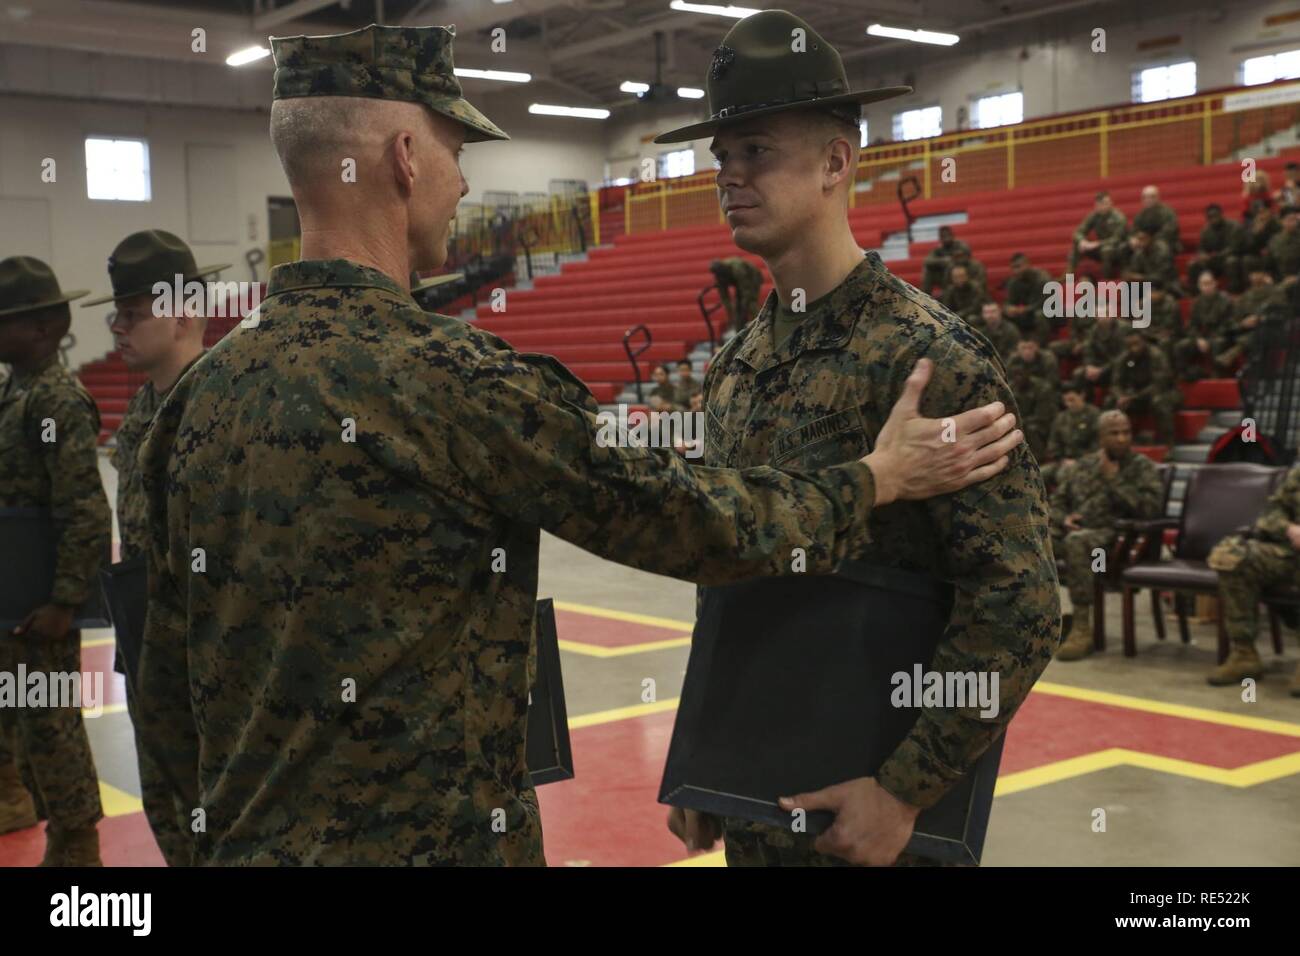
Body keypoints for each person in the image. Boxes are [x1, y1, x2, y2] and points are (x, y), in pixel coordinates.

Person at [135, 22, 1021, 868]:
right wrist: (874, 480)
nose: (465, 184)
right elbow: (688, 522)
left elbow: (160, 700)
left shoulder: (187, 409)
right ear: (407, 158)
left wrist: (886, 786)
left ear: (838, 161)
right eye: (457, 151)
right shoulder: (460, 382)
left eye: (757, 151)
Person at [652, 8, 1058, 868]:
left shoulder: (926, 361)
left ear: (838, 160)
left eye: (755, 150)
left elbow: (1019, 603)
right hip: (756, 805)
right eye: (721, 157)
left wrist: (909, 787)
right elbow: (727, 584)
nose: (728, 176)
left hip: (876, 831)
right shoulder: (735, 366)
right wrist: (706, 763)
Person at [83, 229, 226, 866]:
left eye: (133, 314)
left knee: (222, 818)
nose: (117, 326)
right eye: (118, 312)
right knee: (167, 811)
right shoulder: (142, 411)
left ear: (184, 310)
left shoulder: (230, 403)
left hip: (212, 663)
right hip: (148, 651)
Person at [0, 256, 109, 865]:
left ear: (43, 327)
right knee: (20, 726)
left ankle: (77, 847)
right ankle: (43, 823)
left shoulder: (55, 401)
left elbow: (83, 509)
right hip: (12, 600)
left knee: (52, 728)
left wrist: (66, 600)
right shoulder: (13, 391)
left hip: (42, 603)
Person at [1051, 410, 1163, 659]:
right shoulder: (1084, 465)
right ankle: (1044, 620)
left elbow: (1150, 510)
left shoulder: (1141, 467)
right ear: (1101, 437)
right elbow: (1057, 502)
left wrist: (1115, 482)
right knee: (1036, 538)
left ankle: (1081, 627)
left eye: (1126, 432)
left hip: (1113, 542)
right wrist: (1064, 519)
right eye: (1114, 433)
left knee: (1077, 543)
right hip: (1078, 532)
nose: (1122, 438)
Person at [1207, 464, 1300, 695]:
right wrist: (1289, 529)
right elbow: (1272, 511)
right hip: (1289, 551)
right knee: (1233, 558)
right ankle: (1244, 654)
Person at [1106, 330, 1181, 445]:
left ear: (1143, 342)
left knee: (1159, 402)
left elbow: (1159, 384)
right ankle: (1113, 443)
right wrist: (1120, 396)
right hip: (1136, 396)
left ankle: (1167, 445)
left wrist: (1133, 397)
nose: (1133, 348)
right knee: (1110, 402)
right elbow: (1116, 383)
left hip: (1165, 393)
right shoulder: (1124, 358)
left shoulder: (1156, 356)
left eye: (1136, 344)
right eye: (1129, 345)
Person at [1173, 270, 1234, 381]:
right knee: (1181, 346)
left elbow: (1228, 324)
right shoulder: (1197, 302)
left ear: (1215, 283)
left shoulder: (1225, 300)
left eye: (1209, 283)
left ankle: (1217, 375)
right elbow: (1192, 325)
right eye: (1203, 284)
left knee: (1218, 343)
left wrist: (1210, 340)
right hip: (1202, 337)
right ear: (1199, 286)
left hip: (1221, 336)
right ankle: (1188, 373)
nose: (1206, 287)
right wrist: (1198, 339)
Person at [1042, 382, 1099, 487]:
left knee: (1063, 475)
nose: (1068, 404)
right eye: (1065, 401)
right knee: (1039, 474)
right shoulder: (1061, 418)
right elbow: (1053, 444)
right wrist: (1062, 459)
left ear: (1082, 395)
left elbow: (1097, 445)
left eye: (1072, 400)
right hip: (1063, 461)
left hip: (1086, 463)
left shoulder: (1094, 415)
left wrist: (1079, 461)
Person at [1068, 191, 1127, 277]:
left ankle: (1107, 278)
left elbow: (1117, 239)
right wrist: (1082, 241)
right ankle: (1068, 276)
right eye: (1100, 204)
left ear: (1111, 203)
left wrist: (1097, 244)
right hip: (1100, 247)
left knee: (1106, 250)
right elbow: (1078, 232)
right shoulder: (1094, 216)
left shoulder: (1119, 217)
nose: (1103, 206)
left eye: (1106, 203)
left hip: (1117, 249)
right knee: (1078, 246)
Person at [1186, 203, 1241, 292]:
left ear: (1221, 214)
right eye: (1210, 217)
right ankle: (1194, 292)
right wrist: (1202, 255)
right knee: (1193, 264)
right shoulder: (1206, 231)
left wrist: (1215, 256)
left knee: (1231, 261)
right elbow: (1201, 248)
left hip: (1228, 258)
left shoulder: (1233, 226)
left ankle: (1234, 290)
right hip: (1213, 261)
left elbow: (1234, 248)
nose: (1213, 219)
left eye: (1215, 216)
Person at [1003, 252, 1053, 342]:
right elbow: (1009, 301)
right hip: (1027, 313)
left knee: (1039, 314)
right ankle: (1015, 345)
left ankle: (1040, 345)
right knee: (1001, 314)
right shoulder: (1014, 281)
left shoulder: (1042, 279)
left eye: (1018, 267)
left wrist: (1023, 310)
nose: (1015, 271)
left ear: (1027, 265)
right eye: (1013, 268)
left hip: (1049, 312)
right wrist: (1008, 308)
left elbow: (1044, 303)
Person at [709, 256, 764, 331]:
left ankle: (763, 324)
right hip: (739, 283)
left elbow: (746, 290)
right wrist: (731, 315)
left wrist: (744, 306)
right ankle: (738, 331)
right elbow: (725, 298)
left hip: (752, 278)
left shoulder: (737, 268)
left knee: (750, 303)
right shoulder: (719, 275)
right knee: (737, 308)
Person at [1131, 184, 1181, 253]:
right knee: (1126, 248)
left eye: (1152, 197)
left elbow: (1168, 232)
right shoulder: (1141, 215)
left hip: (1166, 241)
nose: (1148, 200)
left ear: (1158, 197)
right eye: (1145, 197)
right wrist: (1134, 238)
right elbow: (1134, 230)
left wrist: (1150, 240)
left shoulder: (1167, 212)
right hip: (1145, 242)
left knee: (1160, 247)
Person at [919, 225, 968, 294]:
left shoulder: (960, 245)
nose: (946, 238)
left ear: (952, 236)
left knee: (951, 266)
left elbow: (965, 255)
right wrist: (943, 260)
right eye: (943, 236)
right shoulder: (939, 250)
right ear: (940, 238)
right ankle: (925, 295)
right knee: (928, 269)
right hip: (944, 276)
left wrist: (951, 260)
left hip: (961, 273)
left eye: (948, 235)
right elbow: (927, 261)